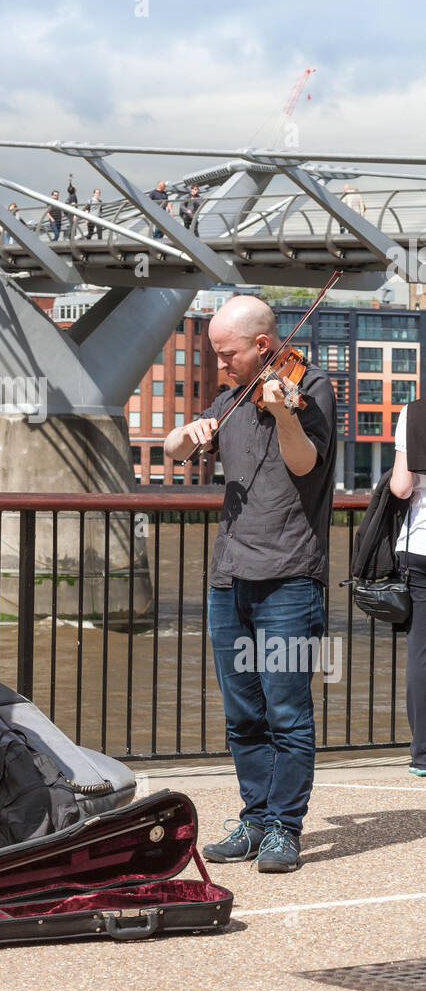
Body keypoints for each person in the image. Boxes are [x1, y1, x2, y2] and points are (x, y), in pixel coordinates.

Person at [163, 295, 336, 872]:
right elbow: (171, 450)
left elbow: (306, 463)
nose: (221, 365)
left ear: (263, 346)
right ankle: (255, 818)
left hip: (289, 580)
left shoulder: (310, 390)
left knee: (287, 712)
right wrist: (190, 434)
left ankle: (285, 829)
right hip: (228, 579)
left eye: (227, 353)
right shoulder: (228, 401)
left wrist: (285, 412)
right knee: (243, 714)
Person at [390, 401, 426, 776]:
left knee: (421, 652)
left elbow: (402, 487)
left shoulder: (414, 413)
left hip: (421, 547)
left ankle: (423, 754)